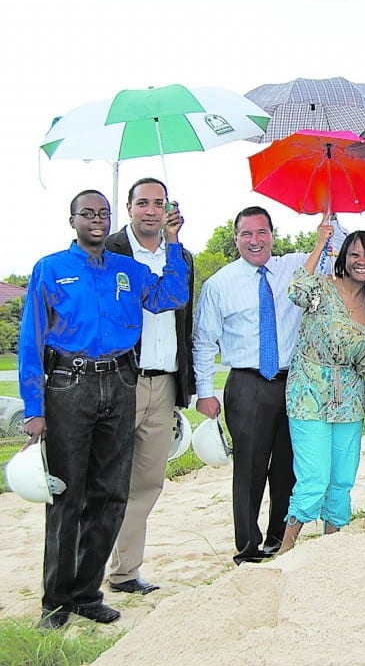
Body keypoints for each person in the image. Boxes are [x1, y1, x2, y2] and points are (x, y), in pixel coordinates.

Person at [18, 190, 187, 630]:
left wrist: (170, 243)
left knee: (110, 495)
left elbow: (171, 296)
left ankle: (87, 594)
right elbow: (31, 342)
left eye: (102, 213)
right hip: (68, 386)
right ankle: (55, 603)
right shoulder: (50, 269)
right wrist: (34, 408)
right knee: (66, 497)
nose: (96, 219)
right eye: (87, 213)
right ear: (71, 219)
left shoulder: (128, 270)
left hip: (120, 382)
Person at [193, 206, 305, 564]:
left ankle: (277, 538)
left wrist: (329, 216)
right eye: (246, 234)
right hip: (247, 385)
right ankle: (247, 546)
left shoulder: (294, 267)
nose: (255, 241)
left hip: (291, 382)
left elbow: (337, 244)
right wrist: (205, 392)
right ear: (236, 238)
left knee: (287, 466)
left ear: (273, 234)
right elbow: (203, 342)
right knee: (250, 469)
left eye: (262, 233)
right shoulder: (220, 284)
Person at [279, 224, 365, 553]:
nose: (362, 261)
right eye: (355, 253)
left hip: (350, 401)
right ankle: (285, 550)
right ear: (343, 257)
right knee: (314, 480)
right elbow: (295, 290)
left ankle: (332, 553)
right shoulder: (320, 288)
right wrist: (319, 243)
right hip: (309, 395)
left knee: (342, 481)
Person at [105, 177, 195, 595]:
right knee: (104, 481)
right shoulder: (108, 252)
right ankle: (84, 575)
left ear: (168, 208)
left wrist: (187, 385)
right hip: (120, 382)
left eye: (159, 203)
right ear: (129, 207)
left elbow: (184, 322)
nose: (151, 210)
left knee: (146, 483)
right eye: (143, 203)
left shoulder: (183, 257)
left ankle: (124, 573)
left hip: (163, 386)